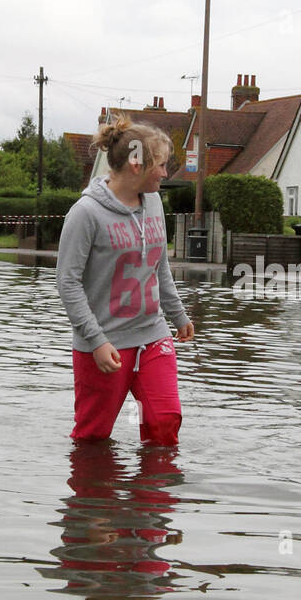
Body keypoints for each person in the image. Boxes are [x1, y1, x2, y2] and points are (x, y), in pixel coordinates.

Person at [56, 116, 195, 445]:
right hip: (103, 344)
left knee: (164, 423)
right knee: (92, 437)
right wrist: (97, 341)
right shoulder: (85, 213)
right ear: (136, 164)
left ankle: (152, 495)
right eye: (160, 165)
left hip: (152, 334)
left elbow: (158, 265)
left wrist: (177, 314)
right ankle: (95, 496)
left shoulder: (155, 204)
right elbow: (67, 283)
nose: (165, 173)